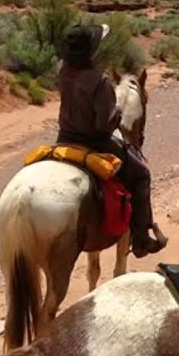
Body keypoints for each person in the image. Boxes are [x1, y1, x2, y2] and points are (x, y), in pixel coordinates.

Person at [56, 23, 167, 258]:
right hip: (95, 143)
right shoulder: (100, 81)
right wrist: (116, 111)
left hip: (63, 139)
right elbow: (103, 125)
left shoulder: (62, 72)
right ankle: (141, 238)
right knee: (141, 174)